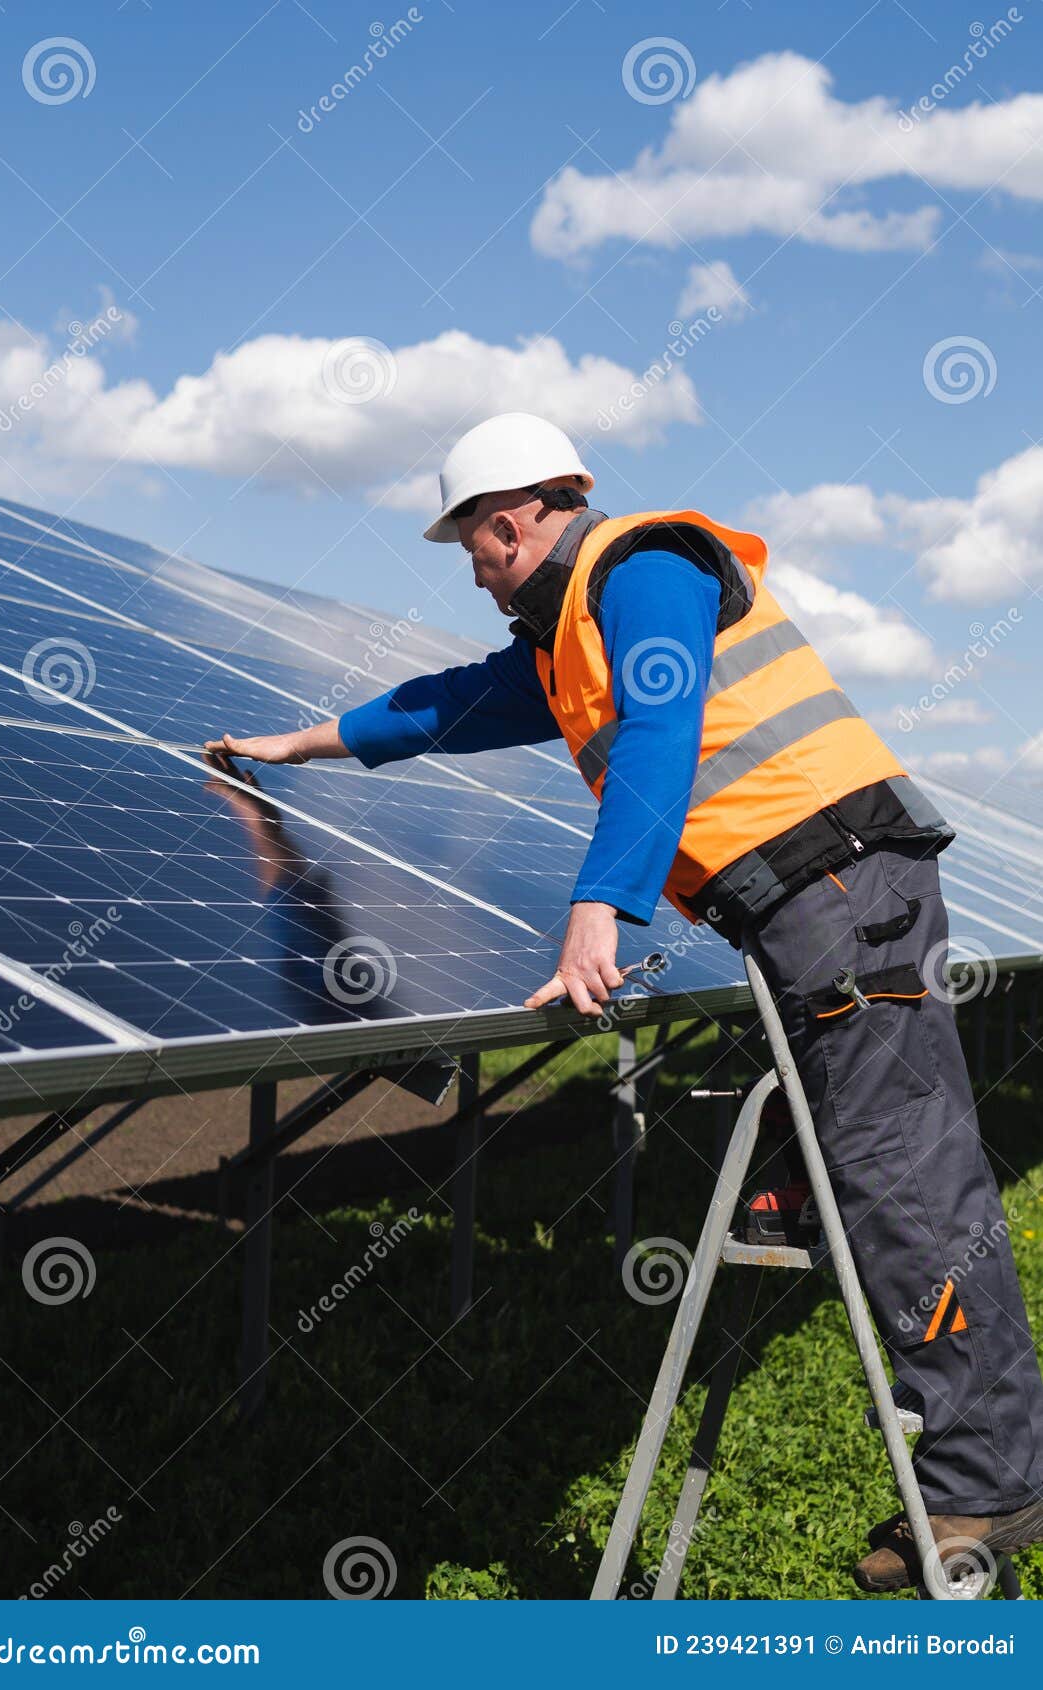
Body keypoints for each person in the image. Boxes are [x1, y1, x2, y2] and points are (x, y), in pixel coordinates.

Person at [206, 411, 1043, 1591]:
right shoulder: (564, 636)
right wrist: (303, 745)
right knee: (866, 1165)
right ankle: (931, 1391)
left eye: (471, 548)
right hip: (811, 902)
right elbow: (449, 706)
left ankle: (982, 1491)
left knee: (908, 1181)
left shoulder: (646, 567)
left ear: (510, 522)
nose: (474, 571)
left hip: (841, 884)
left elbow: (663, 725)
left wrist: (602, 903)